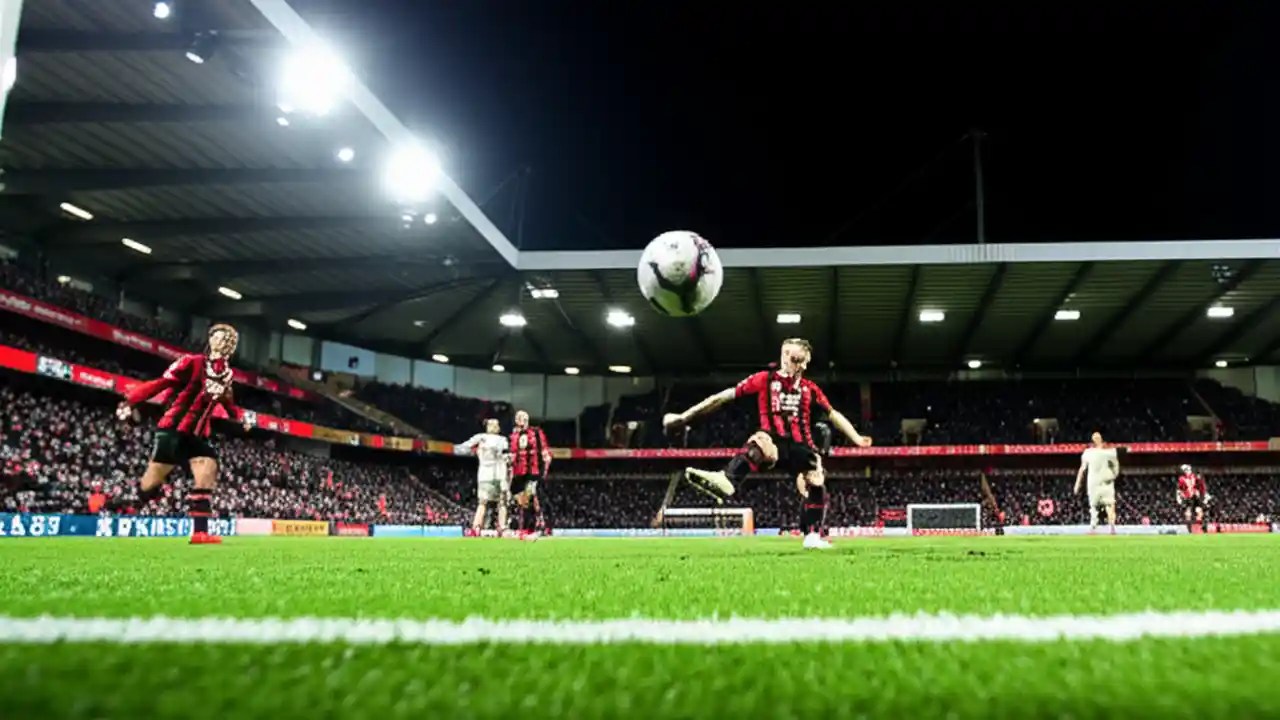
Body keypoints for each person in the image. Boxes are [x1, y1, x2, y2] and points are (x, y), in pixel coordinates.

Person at [662, 337, 872, 550]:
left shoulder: (811, 389)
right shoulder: (764, 379)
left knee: (816, 481)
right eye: (790, 357)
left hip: (802, 447)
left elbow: (833, 413)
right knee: (760, 441)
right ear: (783, 356)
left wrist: (856, 437)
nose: (794, 363)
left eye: (800, 359)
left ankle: (812, 535)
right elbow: (722, 397)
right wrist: (683, 417)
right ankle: (728, 479)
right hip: (773, 442)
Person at [116, 323, 252, 545]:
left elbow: (228, 403)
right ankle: (125, 506)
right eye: (220, 337)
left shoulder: (227, 375)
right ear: (210, 340)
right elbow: (162, 383)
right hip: (172, 430)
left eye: (230, 340)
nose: (224, 342)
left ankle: (200, 533)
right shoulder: (192, 362)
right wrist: (131, 400)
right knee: (150, 484)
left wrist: (241, 417)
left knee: (208, 467)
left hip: (197, 435)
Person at [456, 418, 511, 535]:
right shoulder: (502, 440)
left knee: (483, 503)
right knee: (501, 503)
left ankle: (476, 528)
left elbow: (462, 448)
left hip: (485, 475)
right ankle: (502, 527)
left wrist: (472, 451)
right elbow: (507, 457)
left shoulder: (480, 438)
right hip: (499, 474)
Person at [509, 410, 551, 536]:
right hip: (518, 473)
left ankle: (534, 526)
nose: (519, 419)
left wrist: (545, 469)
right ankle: (530, 525)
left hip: (534, 471)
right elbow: (513, 455)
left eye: (522, 417)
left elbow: (545, 451)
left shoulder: (536, 433)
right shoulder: (513, 436)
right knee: (521, 499)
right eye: (517, 417)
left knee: (531, 497)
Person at [1074, 431, 1119, 534]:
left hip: (1100, 482)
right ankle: (1101, 528)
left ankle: (1107, 528)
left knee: (1105, 505)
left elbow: (1082, 469)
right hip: (1099, 482)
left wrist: (1077, 484)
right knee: (1100, 506)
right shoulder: (1106, 452)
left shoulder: (1105, 452)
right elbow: (1116, 466)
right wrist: (1114, 475)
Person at [1177, 464, 1213, 534]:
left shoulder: (1195, 476)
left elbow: (1200, 486)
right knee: (1188, 514)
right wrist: (1179, 497)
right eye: (1185, 470)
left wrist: (1205, 494)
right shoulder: (1181, 479)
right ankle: (1190, 531)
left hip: (1196, 497)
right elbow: (1180, 489)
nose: (1187, 471)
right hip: (1188, 498)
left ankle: (1204, 528)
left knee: (1200, 512)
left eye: (1187, 469)